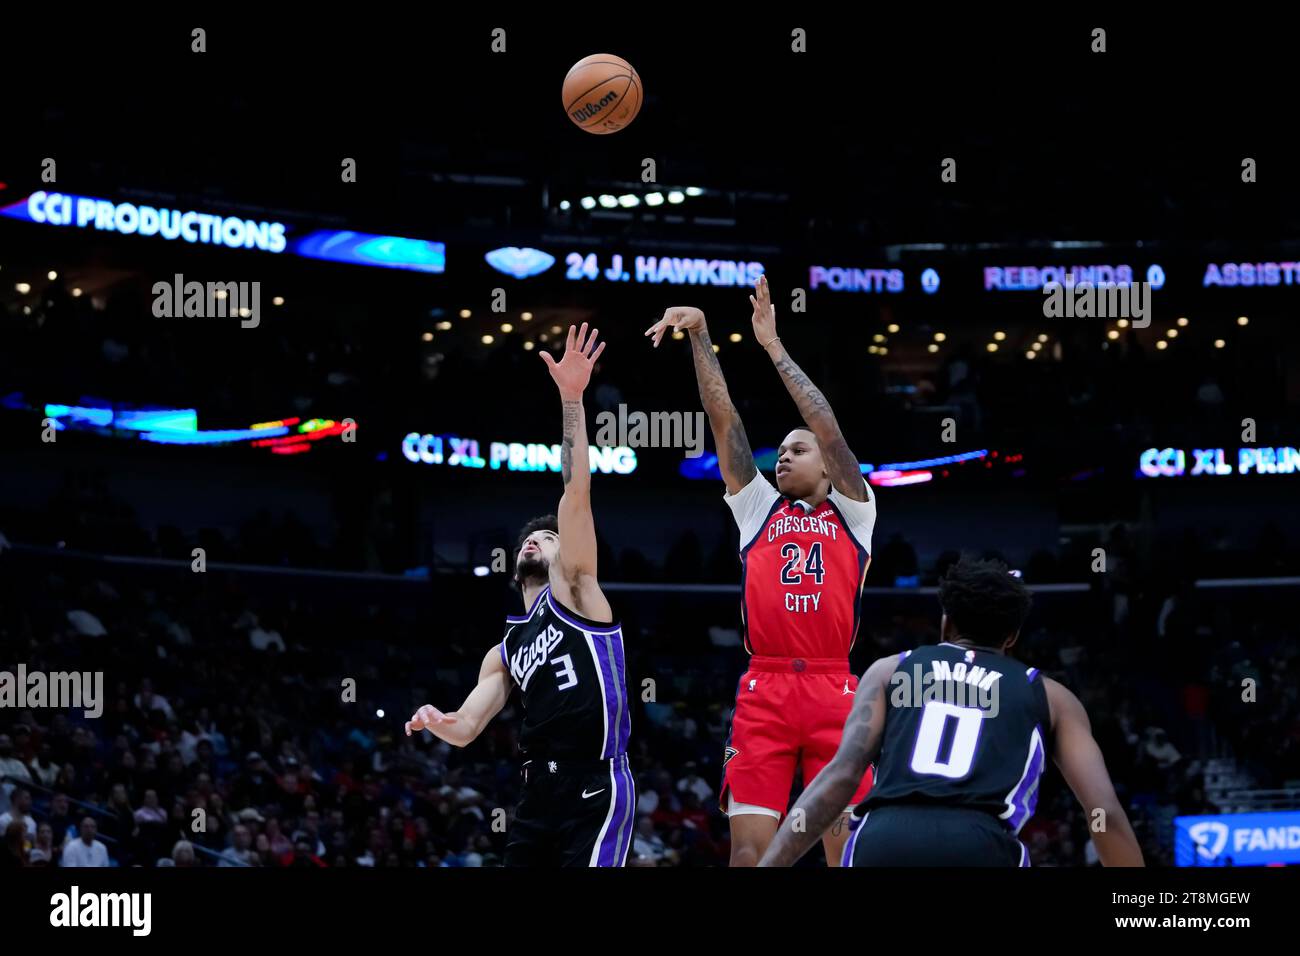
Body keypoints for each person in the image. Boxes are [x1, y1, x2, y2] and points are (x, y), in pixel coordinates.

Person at [646, 276, 877, 866]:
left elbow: (826, 424)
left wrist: (773, 347)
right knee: (748, 855)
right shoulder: (756, 507)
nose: (785, 455)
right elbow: (725, 422)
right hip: (765, 687)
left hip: (835, 687)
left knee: (847, 847)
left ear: (828, 466)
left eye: (797, 449)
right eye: (782, 450)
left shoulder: (855, 508)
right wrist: (700, 334)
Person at [406, 324, 634, 867]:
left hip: (594, 783)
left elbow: (576, 491)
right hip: (538, 794)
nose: (536, 539)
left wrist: (573, 400)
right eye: (529, 538)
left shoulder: (578, 592)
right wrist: (439, 720)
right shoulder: (503, 650)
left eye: (549, 536)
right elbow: (466, 728)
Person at [758, 557, 1145, 867]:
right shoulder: (1052, 696)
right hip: (980, 843)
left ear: (946, 624)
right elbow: (1104, 814)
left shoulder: (890, 670)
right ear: (1012, 637)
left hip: (883, 840)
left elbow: (840, 775)